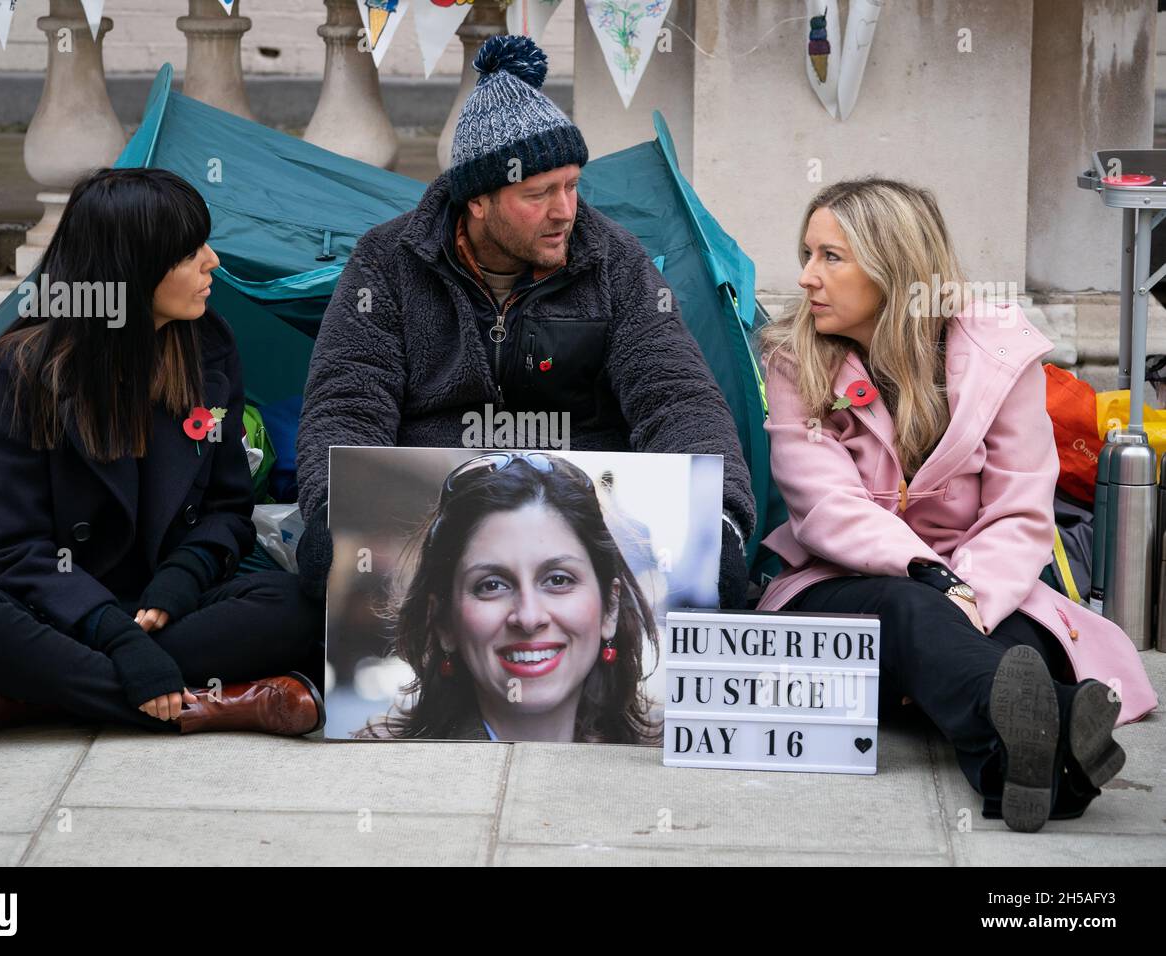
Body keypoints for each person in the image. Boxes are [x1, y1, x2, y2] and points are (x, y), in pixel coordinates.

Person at [294, 35, 754, 613]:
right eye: (538, 194)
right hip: (426, 521)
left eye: (572, 184)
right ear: (477, 202)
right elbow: (347, 401)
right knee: (292, 612)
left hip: (590, 520)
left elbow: (678, 397)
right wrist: (337, 510)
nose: (565, 210)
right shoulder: (387, 262)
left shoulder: (615, 261)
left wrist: (720, 522)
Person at [755, 177, 1157, 832]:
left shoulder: (1000, 353)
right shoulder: (795, 361)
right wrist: (931, 574)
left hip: (984, 583)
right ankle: (1065, 733)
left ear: (893, 268)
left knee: (1024, 641)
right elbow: (824, 507)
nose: (805, 278)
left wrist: (968, 592)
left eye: (830, 257)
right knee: (913, 610)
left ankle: (1022, 776)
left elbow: (1019, 510)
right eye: (808, 253)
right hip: (844, 587)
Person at [0, 167, 324, 738]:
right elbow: (16, 551)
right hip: (55, 608)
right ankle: (221, 705)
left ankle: (29, 701)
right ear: (131, 272)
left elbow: (228, 508)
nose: (213, 263)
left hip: (162, 603)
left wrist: (180, 580)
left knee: (299, 604)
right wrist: (117, 637)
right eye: (189, 253)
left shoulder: (209, 346)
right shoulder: (24, 371)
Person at [356, 452, 660, 743]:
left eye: (558, 580)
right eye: (492, 585)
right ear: (445, 623)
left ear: (610, 608)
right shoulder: (379, 769)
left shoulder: (669, 767)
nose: (528, 618)